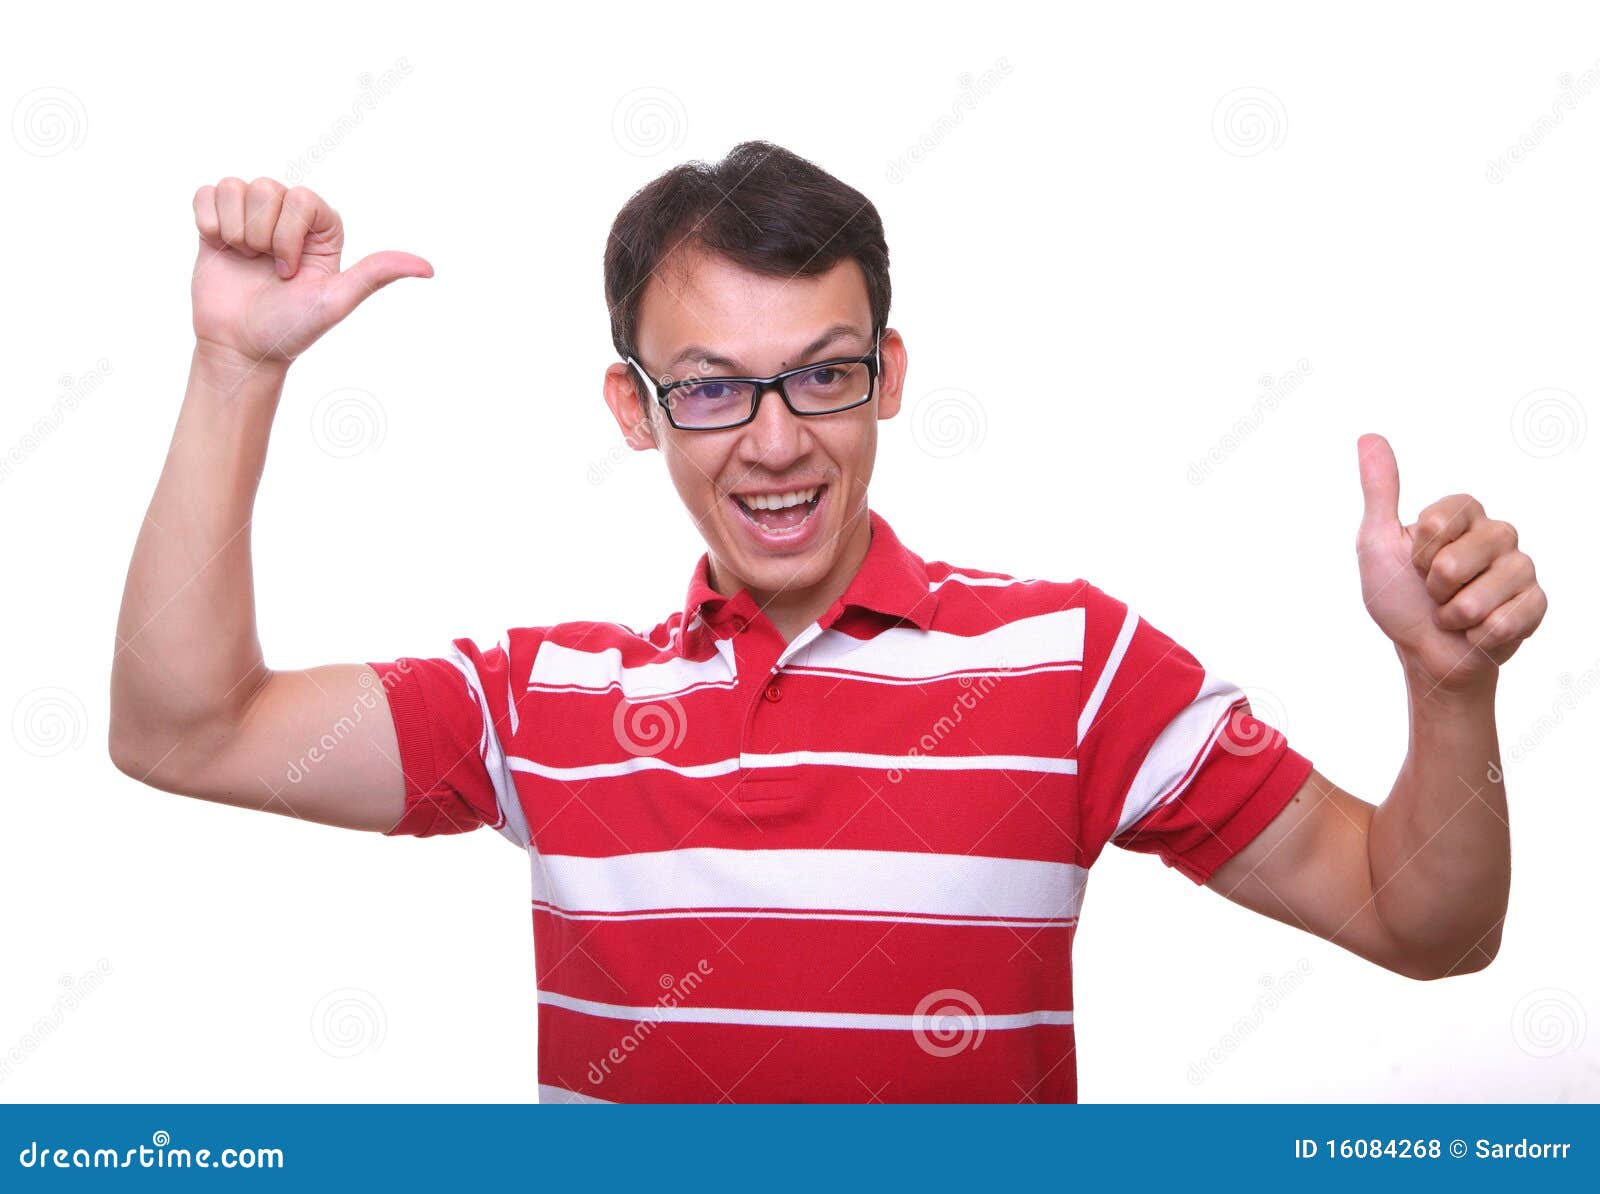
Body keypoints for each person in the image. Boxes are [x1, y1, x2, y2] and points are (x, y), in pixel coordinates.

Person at [109, 141, 1548, 1103]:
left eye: (825, 375)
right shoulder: (535, 702)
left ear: (891, 374)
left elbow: (1428, 927)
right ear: (639, 409)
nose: (778, 441)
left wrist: (1447, 689)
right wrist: (234, 366)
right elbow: (187, 729)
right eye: (715, 386)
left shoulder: (1075, 668)